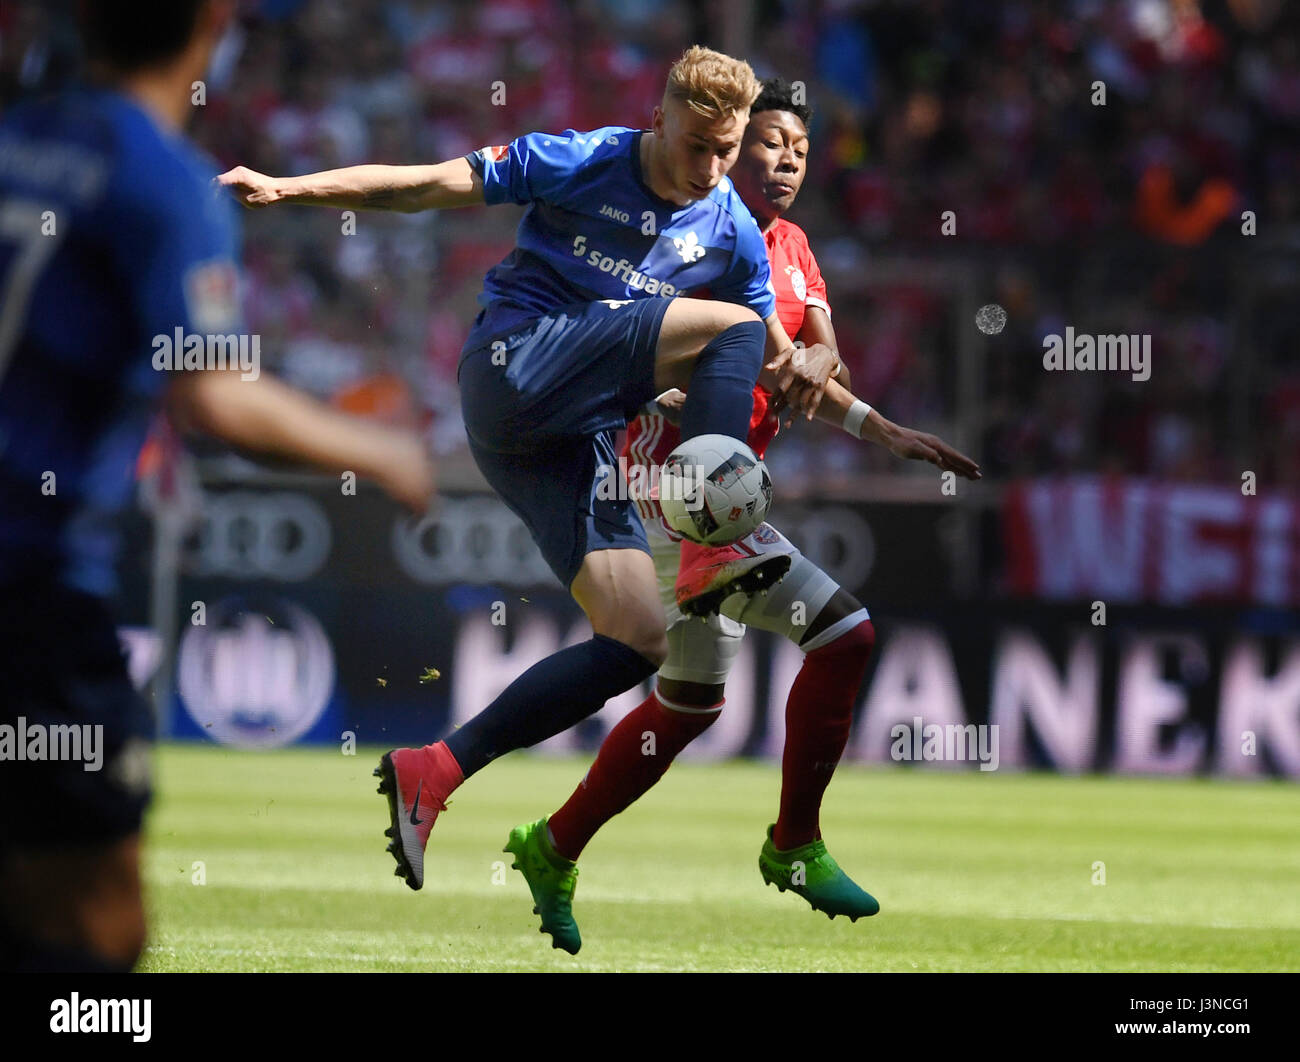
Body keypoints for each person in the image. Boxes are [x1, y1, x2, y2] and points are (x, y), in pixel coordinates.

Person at [219, 46, 855, 893]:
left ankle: (435, 771)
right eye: (698, 145)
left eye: (726, 152)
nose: (712, 169)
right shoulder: (583, 159)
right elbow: (422, 186)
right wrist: (289, 189)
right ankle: (710, 544)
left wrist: (836, 384)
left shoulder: (730, 229)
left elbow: (779, 355)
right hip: (513, 367)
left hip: (553, 441)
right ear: (658, 119)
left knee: (638, 638)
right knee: (728, 328)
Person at [0, 0, 435, 971]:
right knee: (98, 930)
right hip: (30, 594)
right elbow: (215, 397)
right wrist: (378, 450)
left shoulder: (16, 138)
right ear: (212, 24)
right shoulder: (164, 182)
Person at [504, 79, 981, 953]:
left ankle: (552, 844)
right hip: (664, 492)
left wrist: (885, 429)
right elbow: (616, 332)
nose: (787, 156)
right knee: (847, 635)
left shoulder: (793, 249)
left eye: (799, 144)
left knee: (686, 707)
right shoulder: (686, 233)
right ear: (723, 147)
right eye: (767, 141)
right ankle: (794, 843)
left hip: (714, 493)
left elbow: (807, 364)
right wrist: (659, 380)